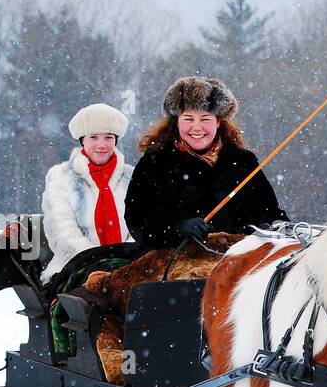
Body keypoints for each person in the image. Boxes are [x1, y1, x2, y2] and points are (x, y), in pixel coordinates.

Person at [124, 76, 287, 249]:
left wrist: (274, 228)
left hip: (238, 259)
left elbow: (270, 213)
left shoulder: (243, 161)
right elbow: (137, 219)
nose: (196, 127)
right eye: (188, 119)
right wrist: (177, 229)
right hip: (175, 259)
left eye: (205, 119)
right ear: (176, 122)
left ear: (218, 122)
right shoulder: (155, 163)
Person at [40, 102, 135, 285]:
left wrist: (128, 258)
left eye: (108, 137)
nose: (102, 144)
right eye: (94, 137)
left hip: (130, 265)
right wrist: (98, 261)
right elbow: (62, 232)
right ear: (82, 140)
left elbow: (142, 225)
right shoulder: (61, 178)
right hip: (76, 266)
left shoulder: (132, 177)